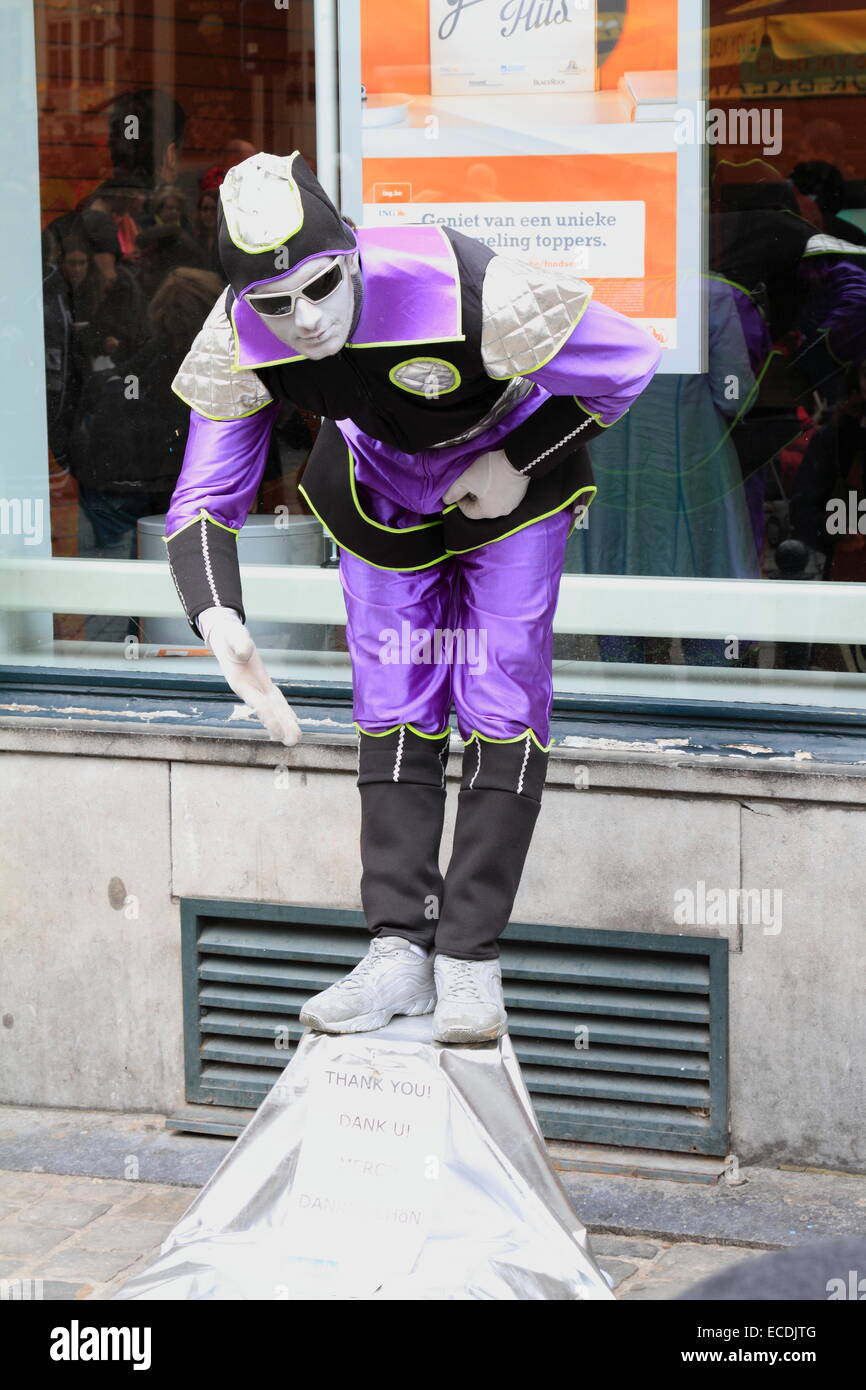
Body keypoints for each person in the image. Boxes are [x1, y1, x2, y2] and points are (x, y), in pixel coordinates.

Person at [164, 151, 661, 1043]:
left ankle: (470, 959)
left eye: (320, 287)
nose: (304, 321)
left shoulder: (472, 287)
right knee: (392, 699)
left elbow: (626, 360)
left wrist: (522, 459)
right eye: (275, 305)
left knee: (500, 692)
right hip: (375, 483)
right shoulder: (239, 334)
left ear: (349, 251)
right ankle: (399, 949)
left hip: (503, 474)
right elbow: (205, 495)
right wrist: (218, 615)